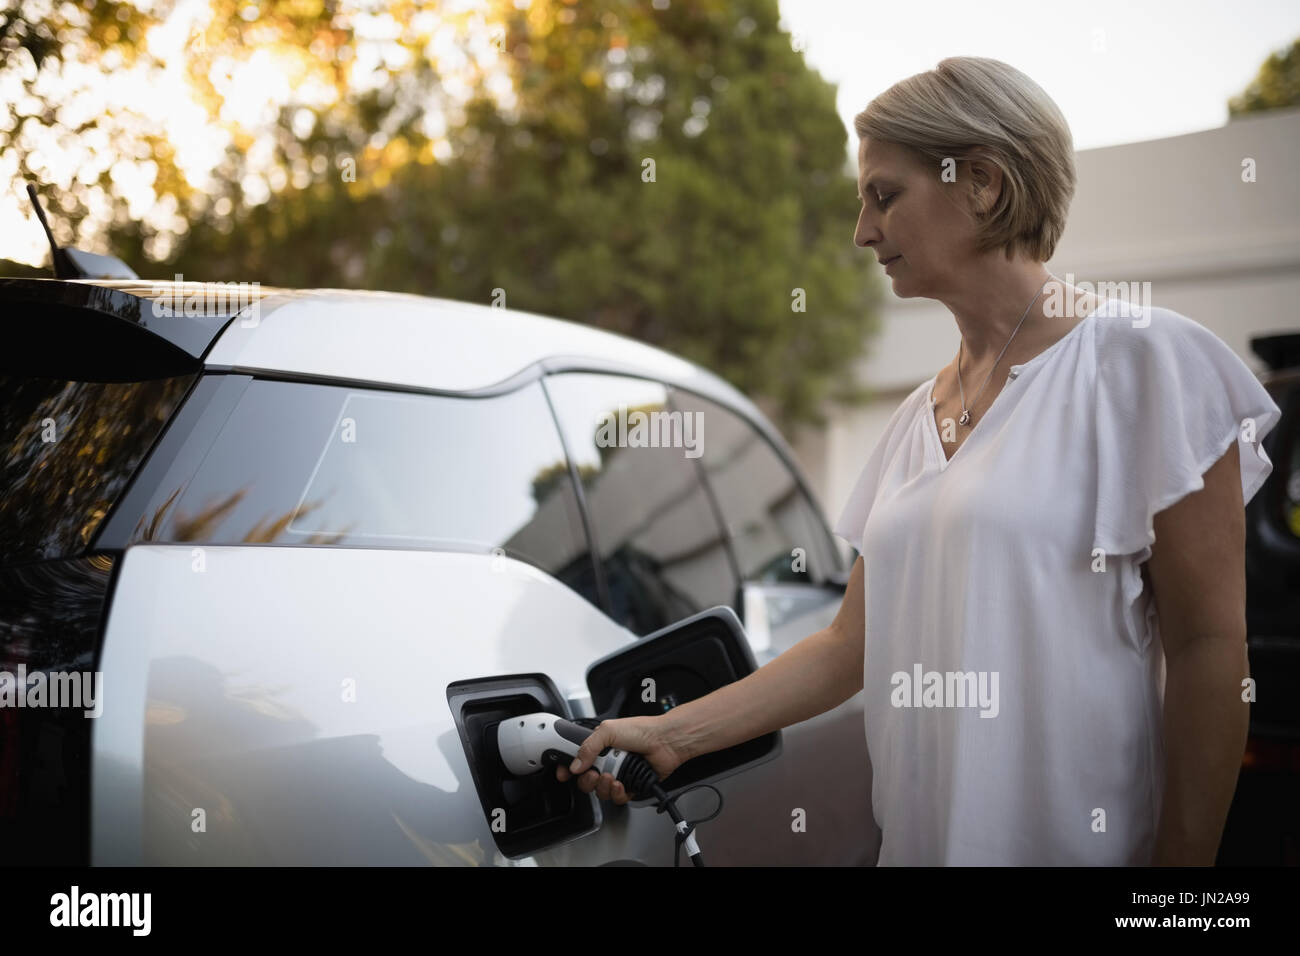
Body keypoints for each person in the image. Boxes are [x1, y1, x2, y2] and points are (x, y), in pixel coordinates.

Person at [557, 56, 1282, 866]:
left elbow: (1208, 648)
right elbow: (849, 647)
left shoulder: (1147, 363)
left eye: (884, 196)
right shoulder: (913, 419)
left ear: (982, 183)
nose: (863, 232)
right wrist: (672, 734)